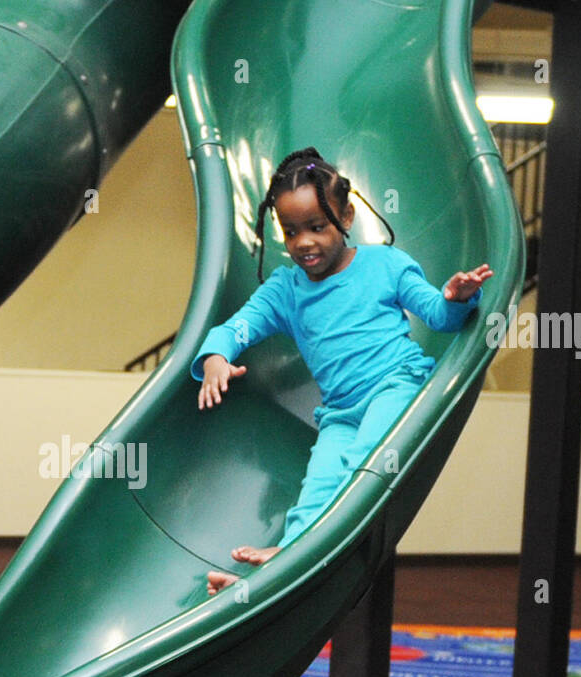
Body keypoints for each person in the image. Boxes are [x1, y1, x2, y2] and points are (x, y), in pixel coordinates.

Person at [195, 147, 492, 596]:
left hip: (396, 386)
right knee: (316, 491)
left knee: (363, 467)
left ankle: (295, 559)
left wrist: (455, 297)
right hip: (339, 413)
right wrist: (216, 357)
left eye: (317, 227)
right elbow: (236, 327)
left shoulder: (385, 265)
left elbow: (440, 318)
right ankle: (269, 578)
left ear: (347, 216)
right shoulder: (285, 290)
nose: (304, 242)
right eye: (291, 232)